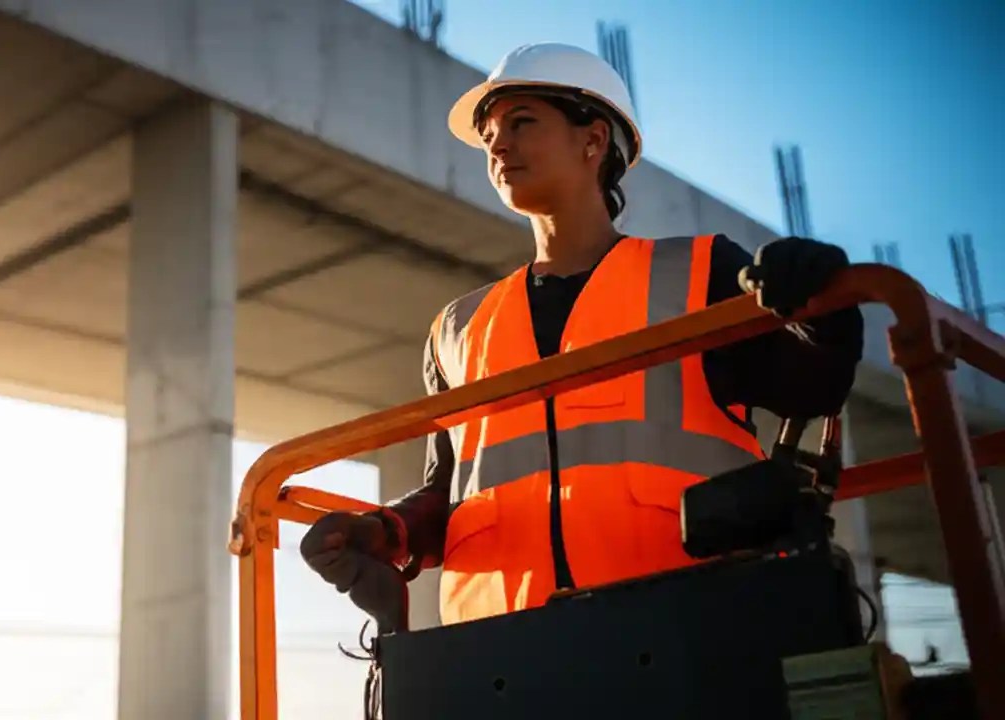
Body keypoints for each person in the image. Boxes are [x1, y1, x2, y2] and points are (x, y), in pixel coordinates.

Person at [300, 42, 864, 627]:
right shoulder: (457, 328)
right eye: (490, 132)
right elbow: (451, 494)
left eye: (521, 123)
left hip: (690, 633)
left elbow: (813, 387)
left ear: (593, 140)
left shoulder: (701, 273)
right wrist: (385, 531)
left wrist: (822, 307)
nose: (497, 143)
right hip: (500, 657)